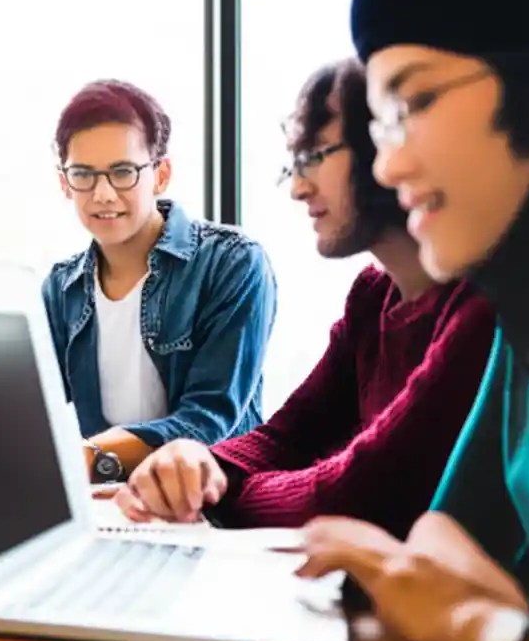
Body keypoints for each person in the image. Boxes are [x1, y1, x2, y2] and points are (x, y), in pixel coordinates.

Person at [298, 0, 529, 641]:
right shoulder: (526, 321)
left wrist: (494, 637)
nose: (388, 163)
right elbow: (443, 537)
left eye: (415, 101)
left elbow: (452, 590)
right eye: (380, 121)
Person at [114, 60, 495, 536]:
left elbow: (358, 495)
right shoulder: (373, 297)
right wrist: (199, 463)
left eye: (313, 156)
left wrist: (219, 494)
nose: (297, 188)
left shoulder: (479, 304)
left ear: (386, 141)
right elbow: (287, 436)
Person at [41, 79, 277, 481]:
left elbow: (207, 420)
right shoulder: (62, 288)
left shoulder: (232, 262)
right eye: (83, 174)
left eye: (122, 172)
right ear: (64, 182)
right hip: (111, 504)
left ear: (161, 174)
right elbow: (30, 410)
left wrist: (89, 455)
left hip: (217, 504)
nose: (102, 194)